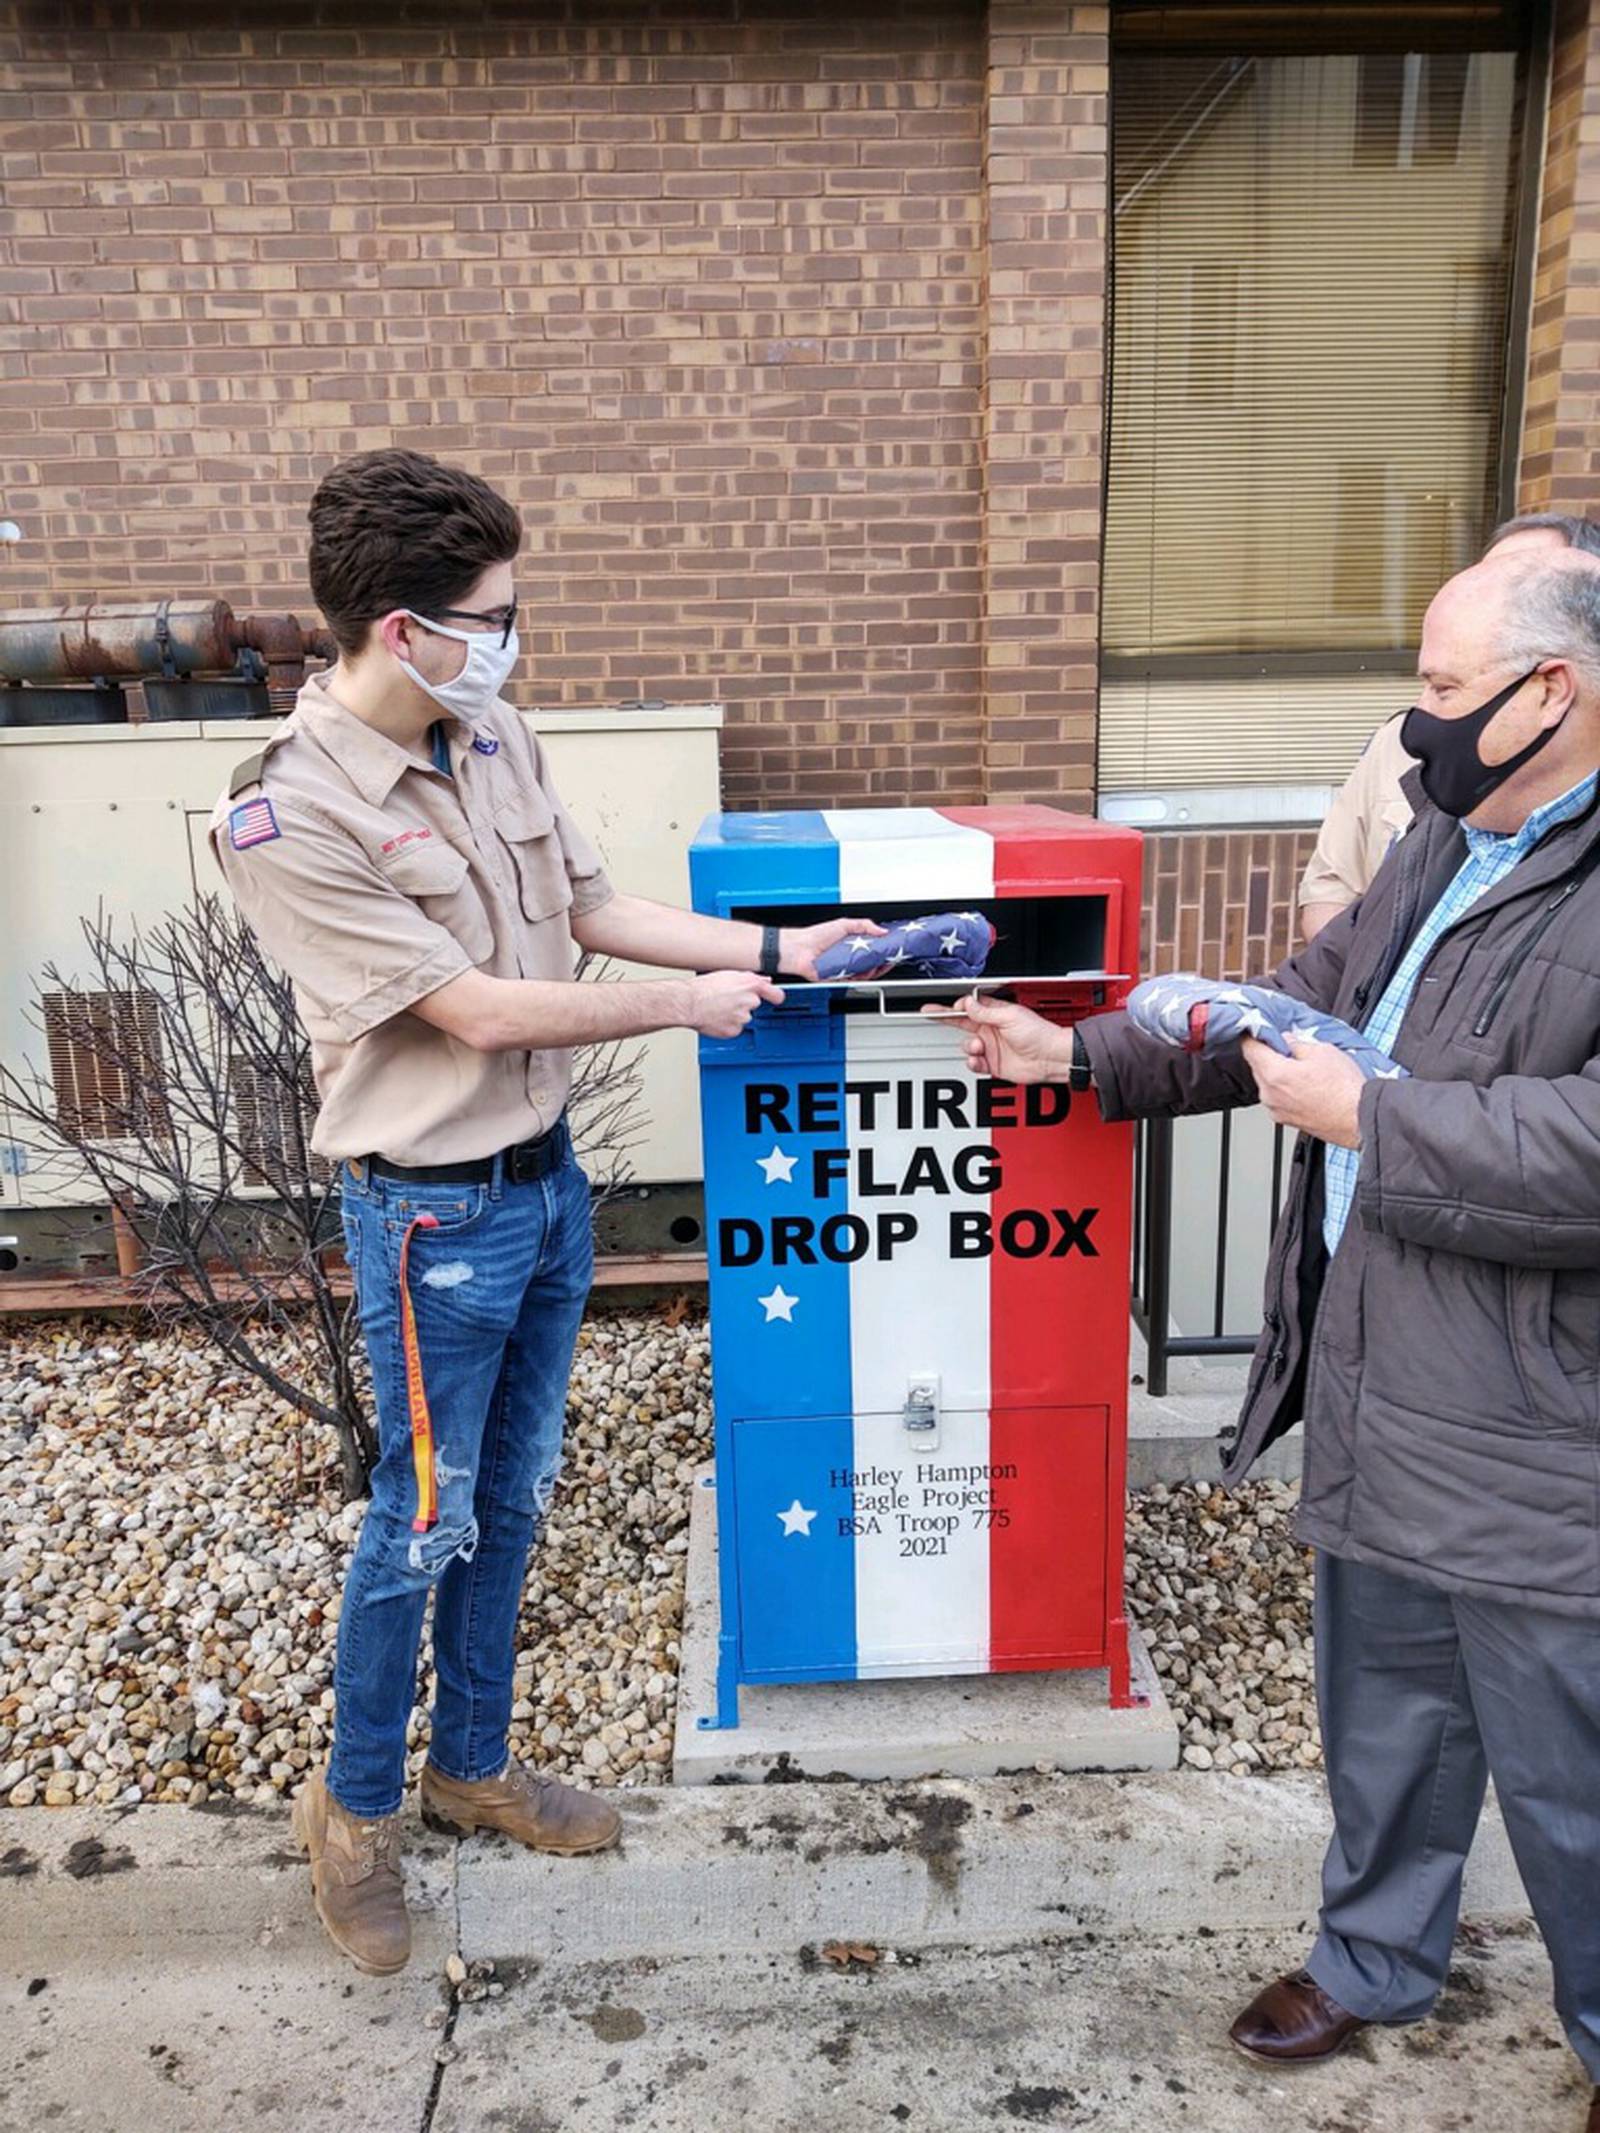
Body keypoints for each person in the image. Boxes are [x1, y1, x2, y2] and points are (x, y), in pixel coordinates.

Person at [944, 550, 1600, 2133]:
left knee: (1572, 1769)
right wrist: (1076, 1057)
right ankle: (1374, 1959)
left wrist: (1376, 1116)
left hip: (1539, 1413)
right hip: (1382, 1360)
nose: (1416, 720)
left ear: (1554, 691)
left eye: (1444, 688)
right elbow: (1294, 1007)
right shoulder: (1448, 835)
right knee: (1389, 1716)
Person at [209, 448, 879, 1976]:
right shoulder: (287, 814)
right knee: (421, 1521)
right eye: (494, 617)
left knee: (510, 1500)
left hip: (546, 1189)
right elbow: (473, 1008)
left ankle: (474, 1765)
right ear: (402, 629)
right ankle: (355, 1812)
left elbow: (589, 908)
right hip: (430, 1224)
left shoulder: (492, 729)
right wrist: (684, 1007)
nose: (514, 641)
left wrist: (780, 952)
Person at [1299, 511, 1600, 940]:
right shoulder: (1402, 746)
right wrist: (1367, 969)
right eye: (1487, 578)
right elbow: (1331, 888)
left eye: (1524, 582)